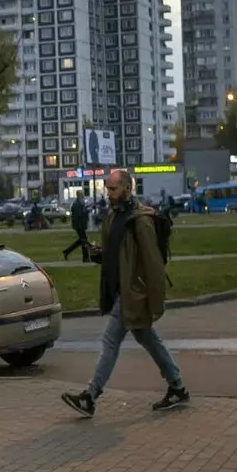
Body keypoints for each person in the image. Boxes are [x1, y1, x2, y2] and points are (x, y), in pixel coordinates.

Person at [61, 169, 189, 416]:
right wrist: (100, 254)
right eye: (107, 189)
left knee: (110, 341)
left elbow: (153, 264)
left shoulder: (140, 220)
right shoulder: (113, 216)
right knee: (147, 339)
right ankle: (177, 386)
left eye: (113, 189)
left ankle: (90, 395)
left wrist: (155, 302)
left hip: (133, 293)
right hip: (121, 290)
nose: (108, 194)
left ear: (128, 189)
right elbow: (117, 253)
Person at [62, 190, 92, 262]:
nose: (83, 196)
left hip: (80, 225)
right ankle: (85, 258)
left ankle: (67, 251)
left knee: (81, 241)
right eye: (82, 194)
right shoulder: (77, 204)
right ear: (79, 195)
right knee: (84, 241)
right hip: (79, 225)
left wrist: (86, 208)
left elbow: (80, 212)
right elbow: (79, 214)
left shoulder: (79, 203)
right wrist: (87, 210)